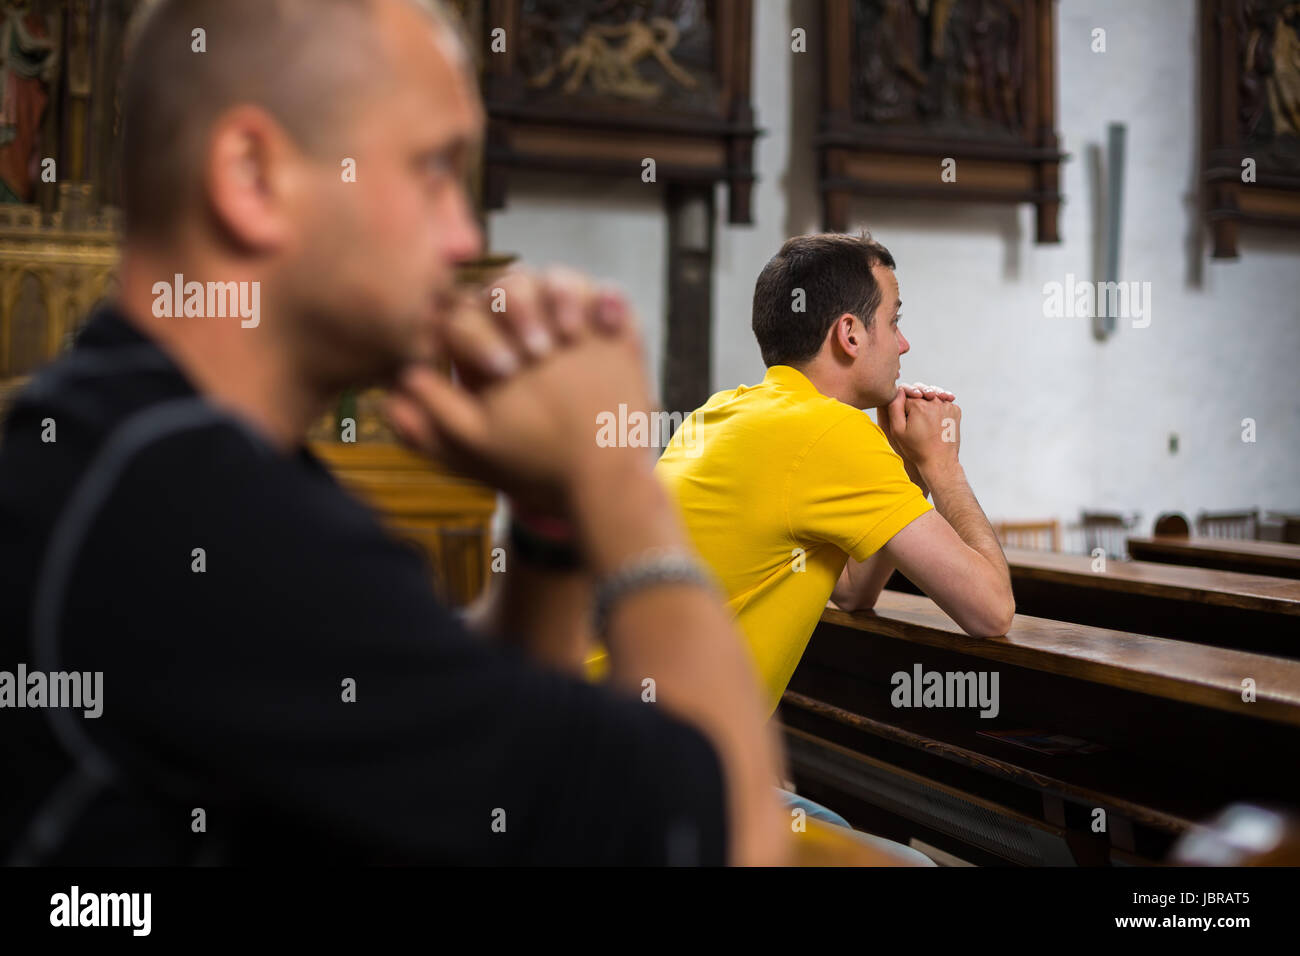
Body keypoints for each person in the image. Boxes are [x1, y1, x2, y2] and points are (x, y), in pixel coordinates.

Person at [0, 0, 791, 866]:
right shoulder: (194, 515)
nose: (463, 237)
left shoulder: (133, 443)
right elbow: (737, 843)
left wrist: (548, 522)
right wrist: (618, 485)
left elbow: (483, 773)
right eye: (434, 168)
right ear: (252, 176)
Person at [655, 232, 1015, 718]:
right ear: (850, 334)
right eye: (894, 320)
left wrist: (906, 465)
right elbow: (991, 611)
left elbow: (850, 590)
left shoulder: (721, 410)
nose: (904, 343)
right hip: (638, 762)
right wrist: (943, 467)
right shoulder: (833, 432)